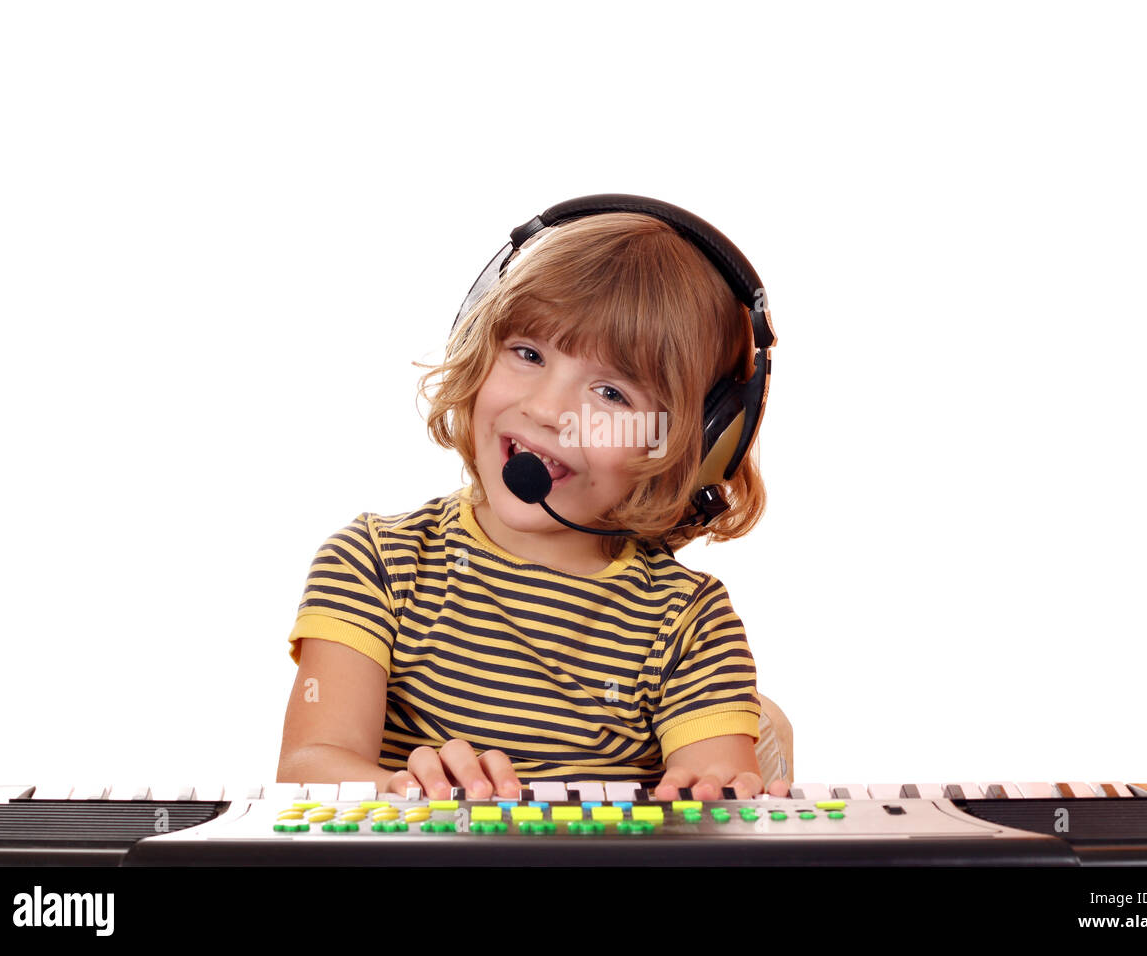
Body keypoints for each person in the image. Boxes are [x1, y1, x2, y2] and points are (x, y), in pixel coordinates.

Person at [277, 209, 789, 803]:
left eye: (611, 393)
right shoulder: (376, 563)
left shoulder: (690, 624)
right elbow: (310, 766)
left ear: (697, 444)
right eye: (527, 353)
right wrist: (408, 791)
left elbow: (717, 791)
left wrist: (709, 795)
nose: (548, 409)